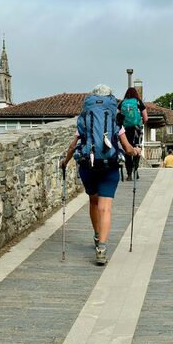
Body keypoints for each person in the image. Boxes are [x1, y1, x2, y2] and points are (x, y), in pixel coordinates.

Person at [60, 84, 142, 266]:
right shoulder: (114, 119)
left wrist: (65, 162)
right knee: (105, 207)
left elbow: (73, 146)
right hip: (109, 167)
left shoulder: (85, 119)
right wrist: (134, 151)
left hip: (88, 167)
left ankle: (97, 235)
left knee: (93, 201)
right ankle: (101, 249)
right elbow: (127, 148)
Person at [117, 87, 148, 181]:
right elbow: (146, 118)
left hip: (125, 131)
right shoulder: (138, 102)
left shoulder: (122, 103)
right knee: (137, 149)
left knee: (127, 151)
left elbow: (117, 116)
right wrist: (140, 122)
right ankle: (135, 170)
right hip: (136, 130)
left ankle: (129, 174)